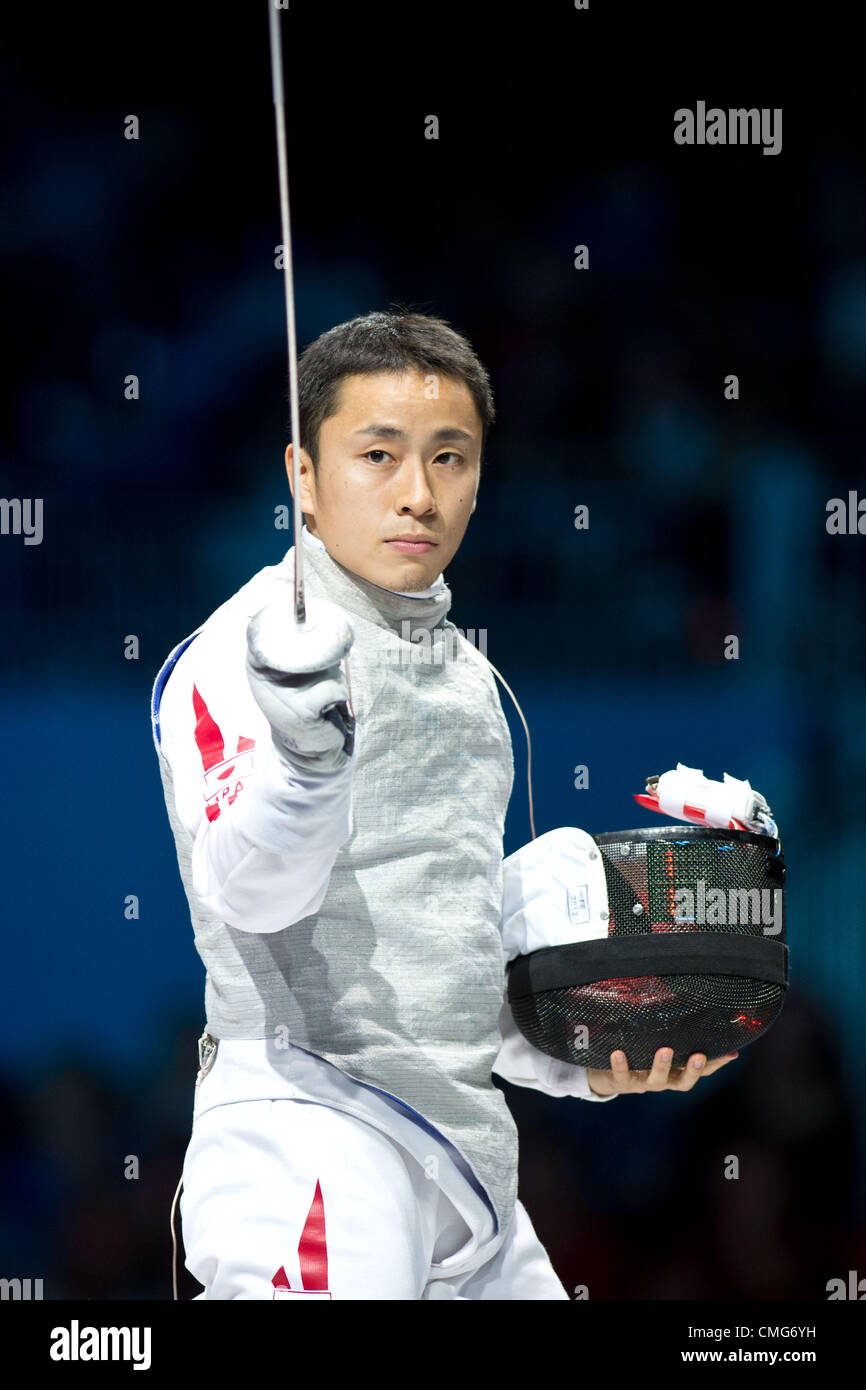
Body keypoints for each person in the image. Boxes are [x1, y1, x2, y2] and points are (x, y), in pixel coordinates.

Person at [150, 310, 738, 1300]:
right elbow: (244, 890)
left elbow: (443, 967)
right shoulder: (245, 648)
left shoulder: (469, 685)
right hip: (315, 1140)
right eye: (376, 454)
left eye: (448, 458)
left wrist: (582, 1058)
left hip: (464, 1173)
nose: (417, 493)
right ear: (302, 474)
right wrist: (305, 764)